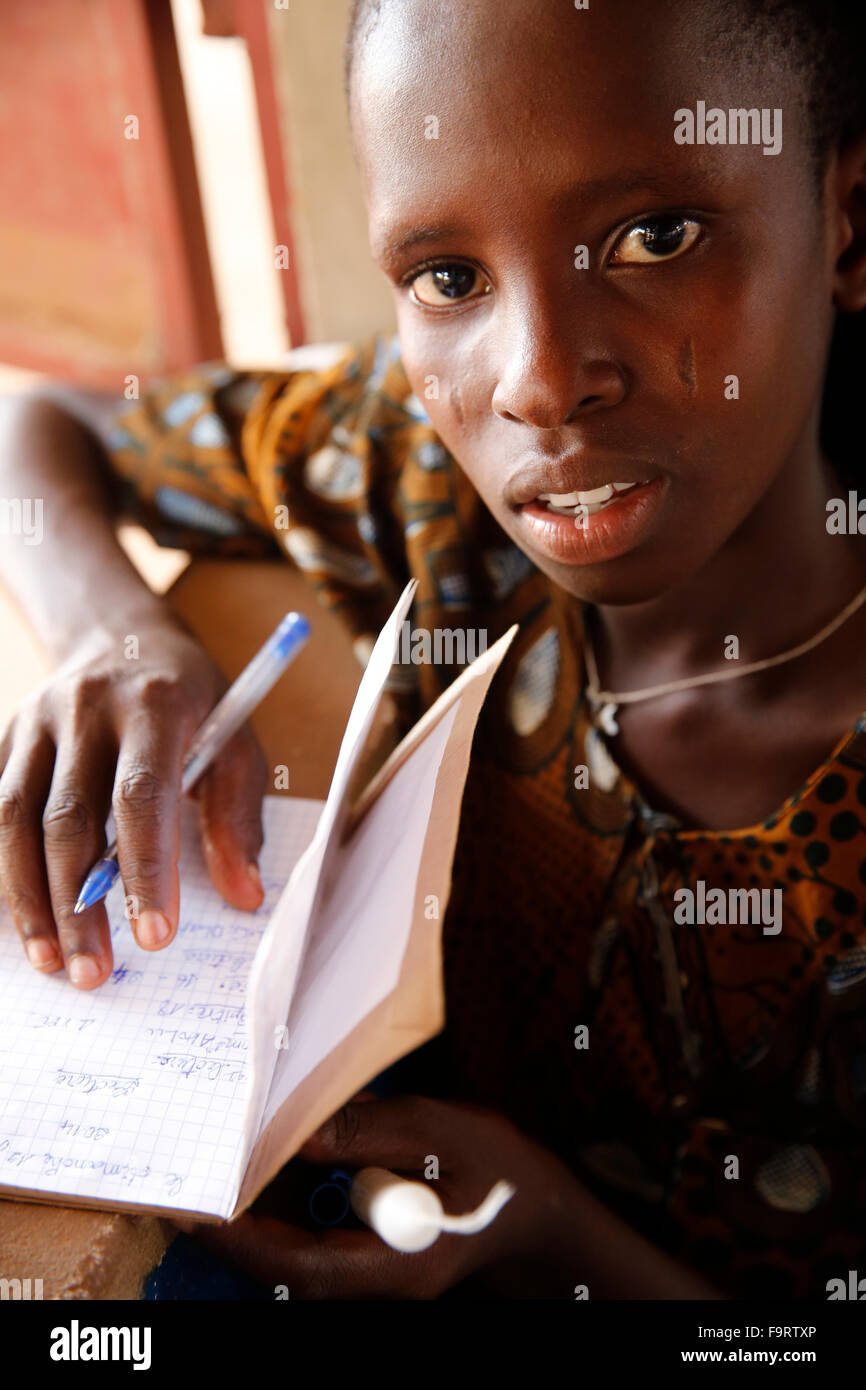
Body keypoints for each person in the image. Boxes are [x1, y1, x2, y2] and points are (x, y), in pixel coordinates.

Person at [1, 0, 865, 1299]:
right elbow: (42, 426)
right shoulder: (419, 482)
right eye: (447, 277)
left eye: (652, 236)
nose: (533, 378)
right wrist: (116, 634)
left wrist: (568, 1250)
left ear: (846, 217)